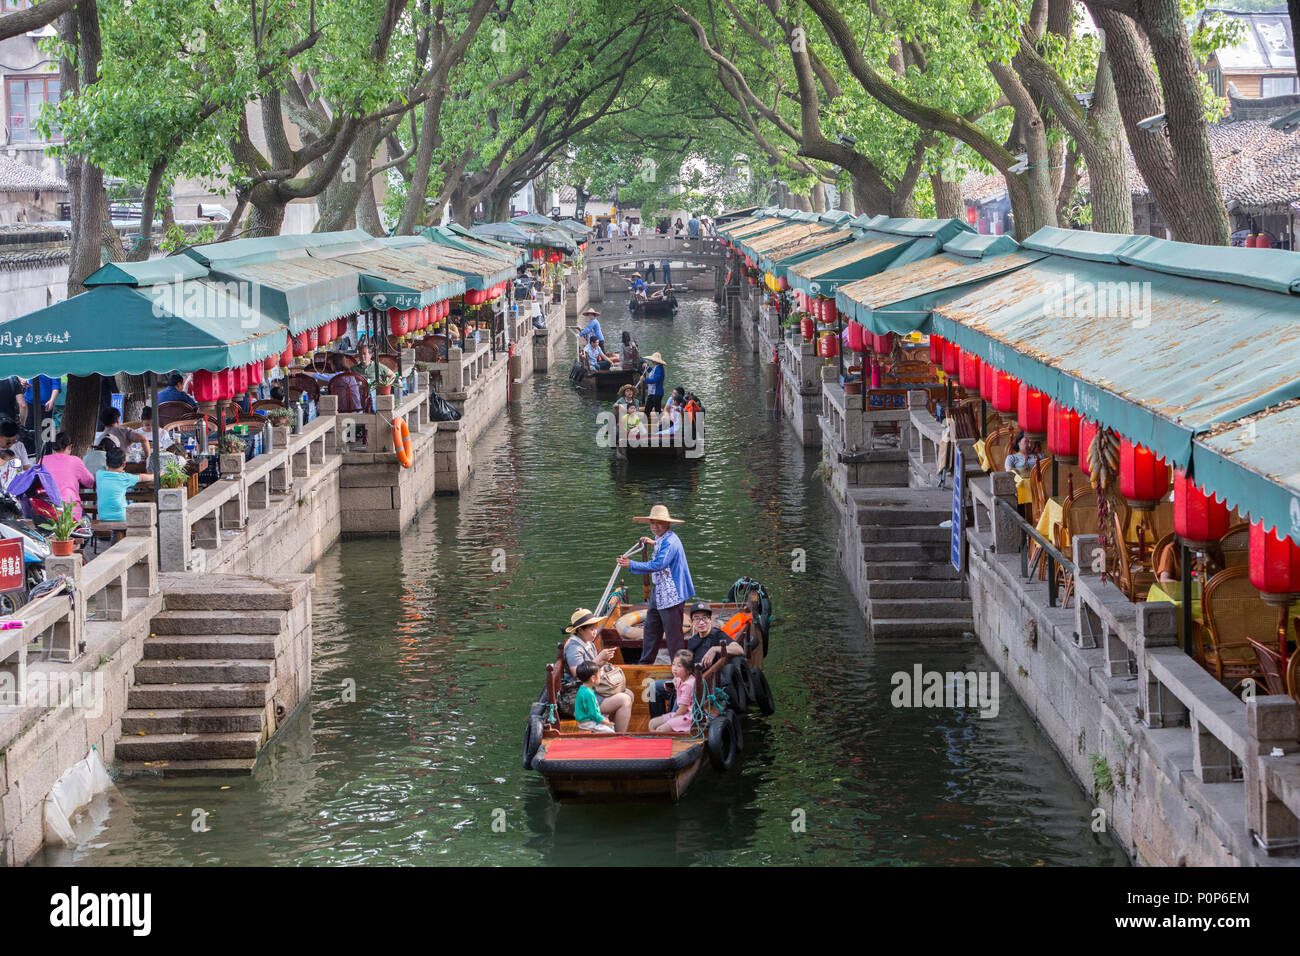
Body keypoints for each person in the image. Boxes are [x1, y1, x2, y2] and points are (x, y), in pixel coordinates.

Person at [616, 504, 695, 665]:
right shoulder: (662, 539)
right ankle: (645, 663)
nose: (654, 526)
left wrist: (631, 564)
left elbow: (657, 565)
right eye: (652, 523)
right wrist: (652, 542)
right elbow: (660, 548)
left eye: (658, 523)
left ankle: (679, 667)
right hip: (658, 591)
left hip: (672, 595)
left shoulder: (670, 542)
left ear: (667, 524)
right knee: (651, 629)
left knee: (674, 636)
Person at [648, 603, 742, 718]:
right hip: (688, 681)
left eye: (704, 618)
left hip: (705, 685)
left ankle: (670, 725)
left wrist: (715, 649)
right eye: (696, 619)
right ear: (692, 623)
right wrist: (675, 679)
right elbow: (685, 664)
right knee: (653, 688)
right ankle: (657, 719)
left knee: (682, 697)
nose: (701, 622)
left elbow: (739, 649)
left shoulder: (718, 635)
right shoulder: (693, 641)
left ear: (710, 619)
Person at [562, 608, 633, 732]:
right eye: (592, 629)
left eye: (595, 628)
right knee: (624, 700)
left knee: (629, 694)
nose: (595, 632)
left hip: (592, 688)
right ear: (580, 630)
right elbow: (578, 674)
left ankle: (611, 730)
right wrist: (599, 658)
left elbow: (594, 668)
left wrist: (604, 660)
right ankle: (619, 736)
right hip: (578, 695)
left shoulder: (589, 643)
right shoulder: (574, 648)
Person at [41, 432, 95, 520]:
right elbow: (90, 482)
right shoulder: (75, 461)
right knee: (87, 524)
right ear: (69, 447)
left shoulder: (43, 460)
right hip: (70, 510)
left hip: (47, 509)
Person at [95, 445, 153, 523]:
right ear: (124, 464)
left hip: (103, 516)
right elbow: (142, 477)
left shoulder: (99, 474)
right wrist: (157, 475)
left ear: (106, 462)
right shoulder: (125, 477)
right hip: (121, 516)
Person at [648, 650, 697, 734]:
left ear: (688, 670)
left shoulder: (689, 684)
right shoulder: (678, 678)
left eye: (678, 666)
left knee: (660, 730)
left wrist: (672, 719)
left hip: (685, 712)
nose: (674, 668)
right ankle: (656, 717)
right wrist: (670, 686)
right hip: (680, 701)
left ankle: (664, 728)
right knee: (652, 687)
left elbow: (683, 708)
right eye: (673, 664)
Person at [574, 661, 616, 733]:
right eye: (599, 675)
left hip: (584, 721)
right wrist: (604, 721)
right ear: (593, 678)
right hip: (588, 723)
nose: (600, 677)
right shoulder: (589, 693)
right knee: (611, 732)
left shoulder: (582, 689)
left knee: (609, 725)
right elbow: (593, 714)